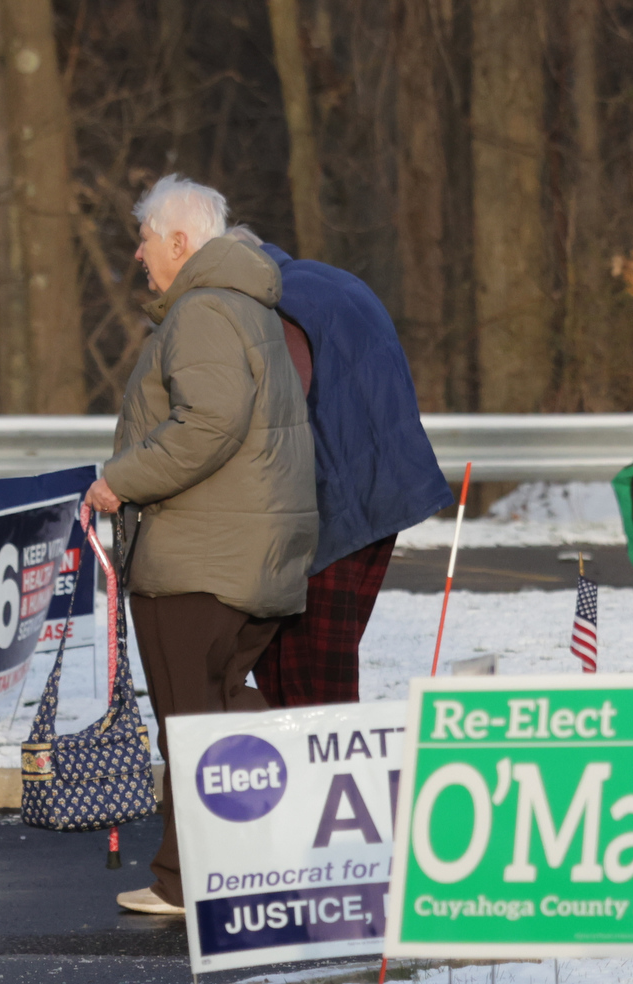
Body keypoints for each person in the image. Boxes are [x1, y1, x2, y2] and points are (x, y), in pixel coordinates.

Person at [85, 177, 316, 916]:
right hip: (250, 552)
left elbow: (208, 424)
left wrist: (120, 480)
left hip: (201, 559)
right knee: (219, 710)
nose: (139, 254)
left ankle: (188, 883)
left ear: (181, 244)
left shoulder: (203, 311)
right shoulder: (248, 307)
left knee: (190, 722)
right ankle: (263, 855)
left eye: (147, 240)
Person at [226, 229, 451, 706]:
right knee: (327, 670)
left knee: (310, 693)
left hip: (327, 511)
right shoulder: (334, 282)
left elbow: (279, 415)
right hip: (384, 496)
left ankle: (328, 778)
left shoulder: (273, 307)